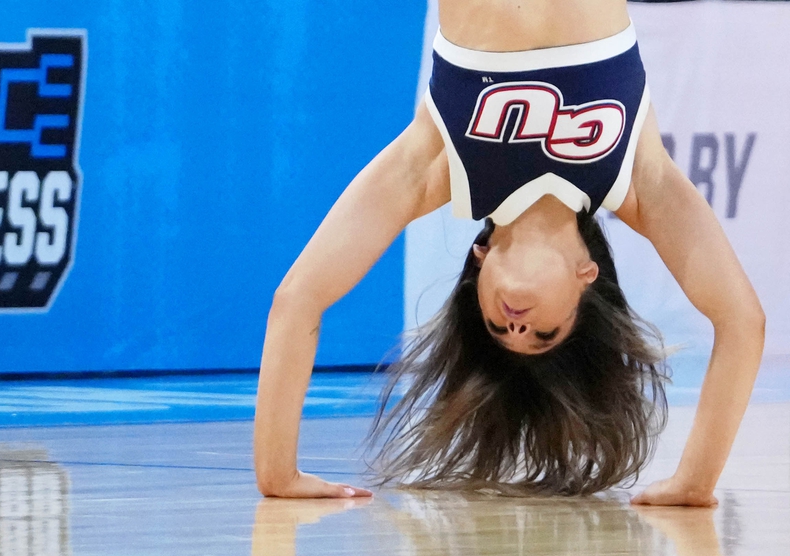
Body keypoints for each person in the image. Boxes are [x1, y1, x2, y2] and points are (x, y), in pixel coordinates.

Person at [253, 0, 764, 505]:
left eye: (498, 331)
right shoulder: (635, 180)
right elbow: (742, 321)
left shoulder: (437, 168)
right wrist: (694, 482)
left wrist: (277, 473)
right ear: (587, 278)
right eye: (542, 336)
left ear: (480, 262)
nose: (516, 326)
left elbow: (297, 300)